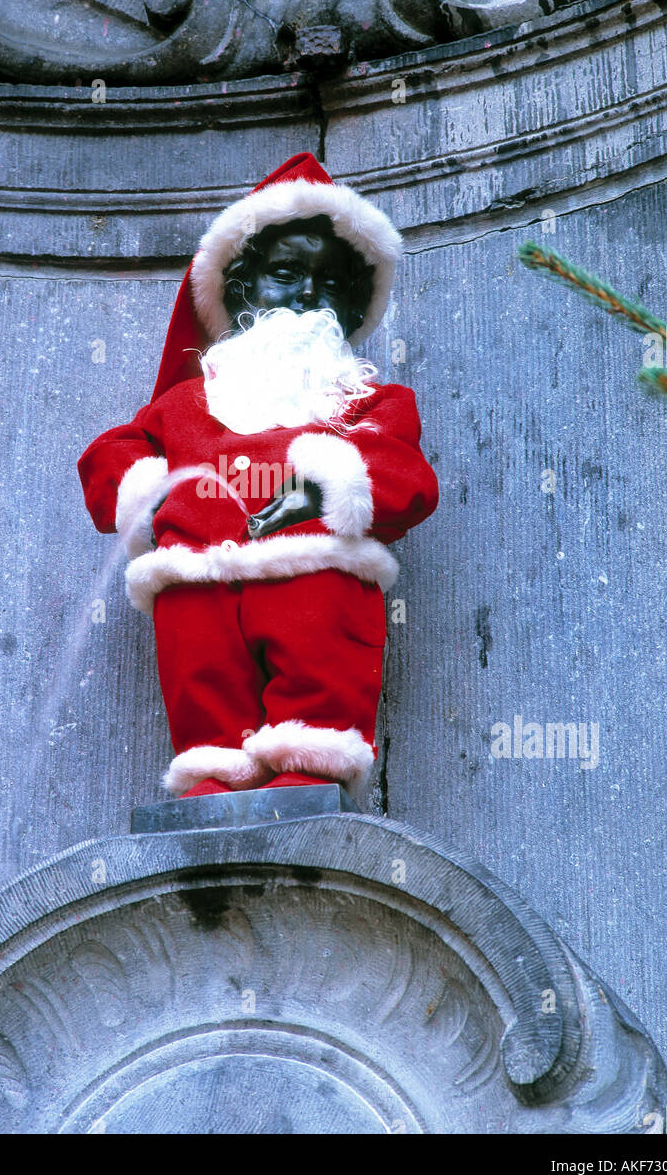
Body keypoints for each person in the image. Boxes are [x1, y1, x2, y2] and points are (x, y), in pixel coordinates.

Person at [78, 153, 438, 798]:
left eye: (330, 284)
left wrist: (324, 487)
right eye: (284, 274)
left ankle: (309, 770)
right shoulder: (183, 405)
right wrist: (148, 500)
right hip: (197, 579)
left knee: (319, 671)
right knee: (202, 677)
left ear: (354, 306)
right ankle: (213, 774)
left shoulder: (365, 402)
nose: (307, 294)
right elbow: (111, 454)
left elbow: (405, 474)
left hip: (312, 576)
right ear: (242, 288)